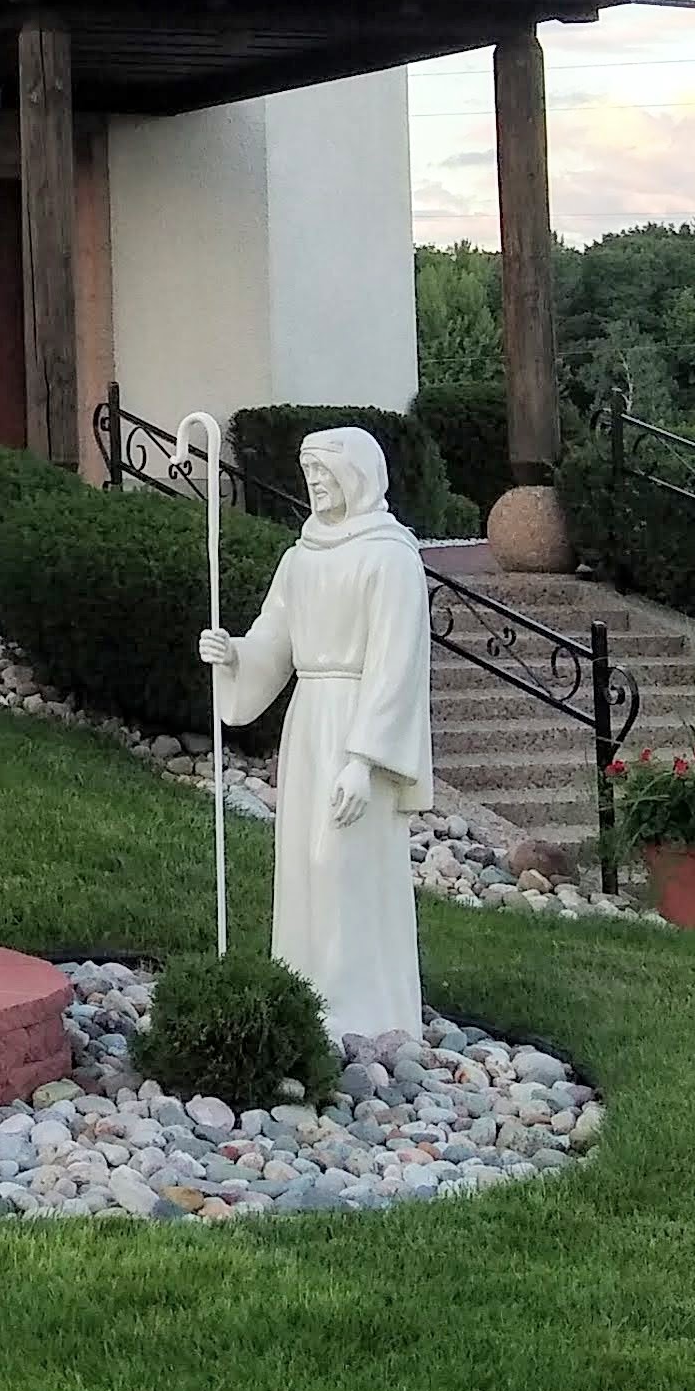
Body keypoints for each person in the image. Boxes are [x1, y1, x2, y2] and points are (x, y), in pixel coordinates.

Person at [199, 425, 432, 1042]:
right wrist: (233, 657)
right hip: (309, 720)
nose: (317, 485)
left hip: (357, 723)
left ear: (357, 476)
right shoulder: (300, 557)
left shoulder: (390, 556)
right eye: (310, 476)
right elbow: (275, 642)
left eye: (326, 474)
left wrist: (365, 759)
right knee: (304, 860)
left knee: (343, 862)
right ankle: (306, 994)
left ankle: (359, 1008)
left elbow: (396, 663)